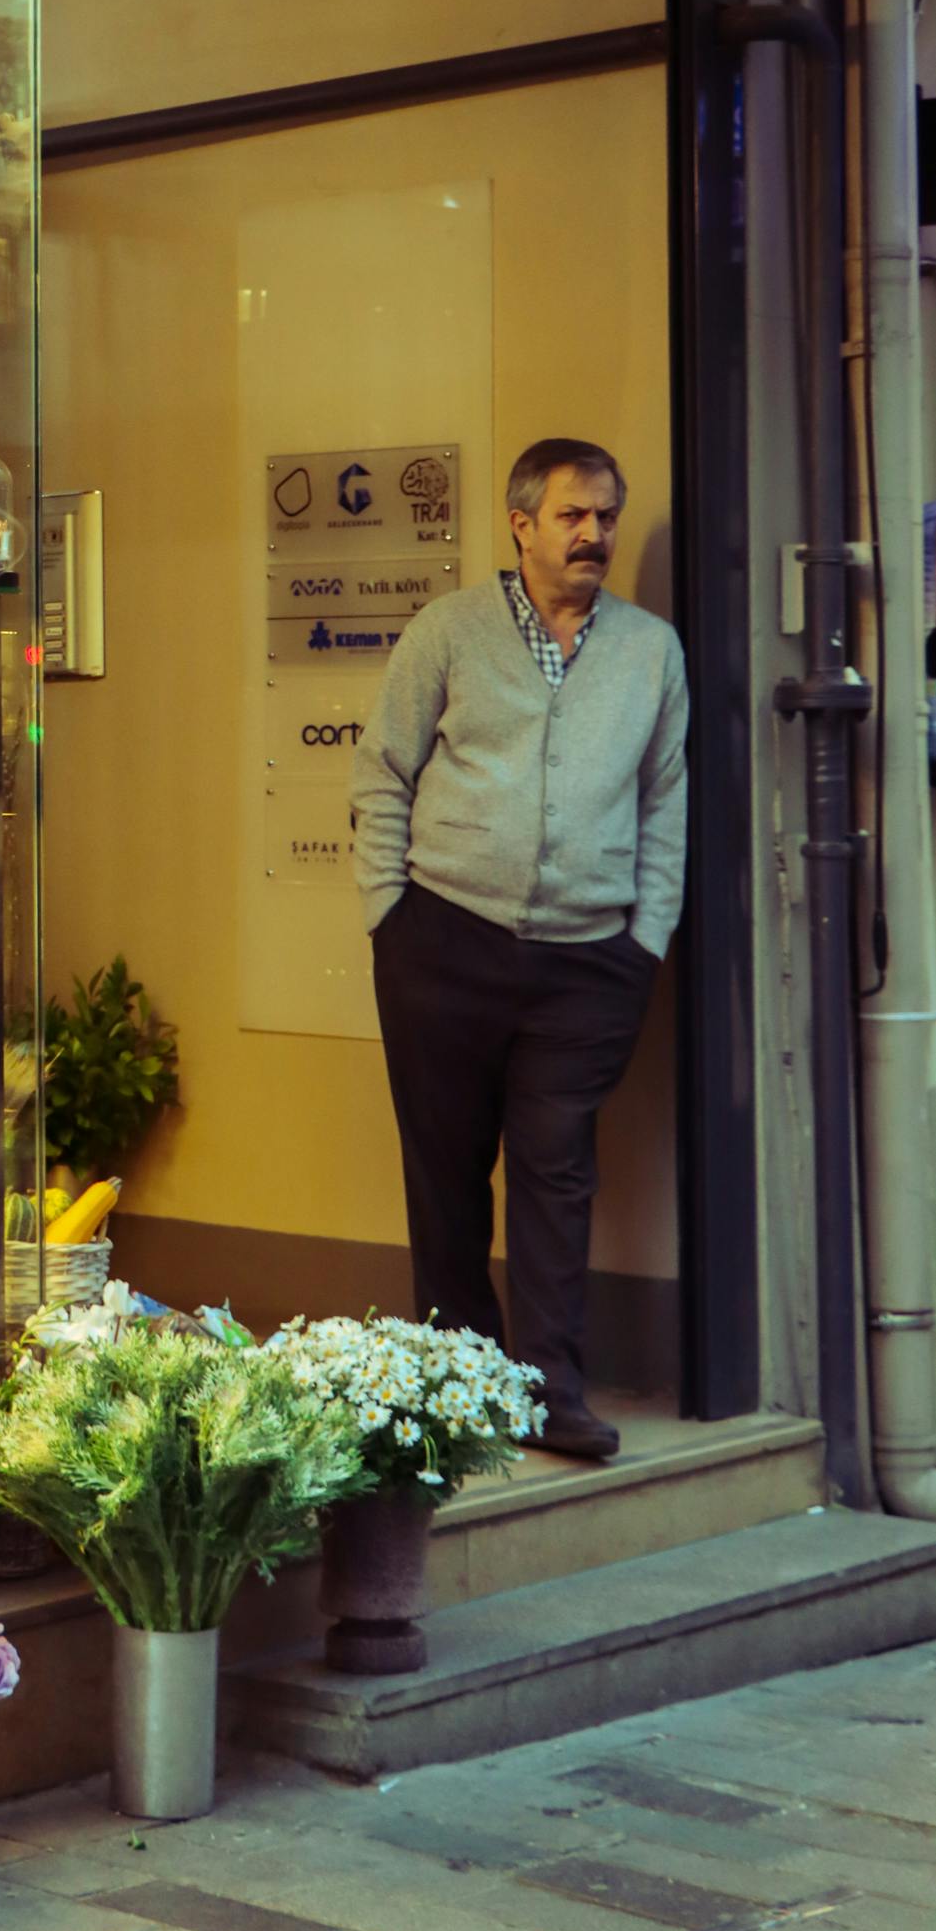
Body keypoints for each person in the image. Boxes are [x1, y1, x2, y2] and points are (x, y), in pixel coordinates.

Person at [350, 438, 688, 1461]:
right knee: (446, 1172)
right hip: (442, 941)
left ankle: (550, 1394)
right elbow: (382, 770)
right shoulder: (448, 630)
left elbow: (664, 798)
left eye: (604, 516)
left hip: (588, 961)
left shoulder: (648, 650)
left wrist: (644, 939)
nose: (592, 534)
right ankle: (460, 1385)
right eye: (572, 514)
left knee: (557, 1171)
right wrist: (387, 912)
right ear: (522, 522)